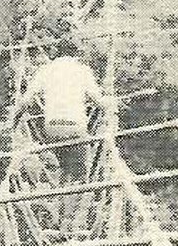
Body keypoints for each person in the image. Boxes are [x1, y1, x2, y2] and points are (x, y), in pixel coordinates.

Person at [12, 40, 110, 179]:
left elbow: (26, 101)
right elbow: (99, 102)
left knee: (64, 167)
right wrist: (110, 106)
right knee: (81, 172)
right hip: (75, 127)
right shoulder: (82, 70)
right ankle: (79, 190)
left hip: (53, 129)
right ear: (76, 55)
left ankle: (64, 190)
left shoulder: (44, 70)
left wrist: (12, 124)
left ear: (56, 54)